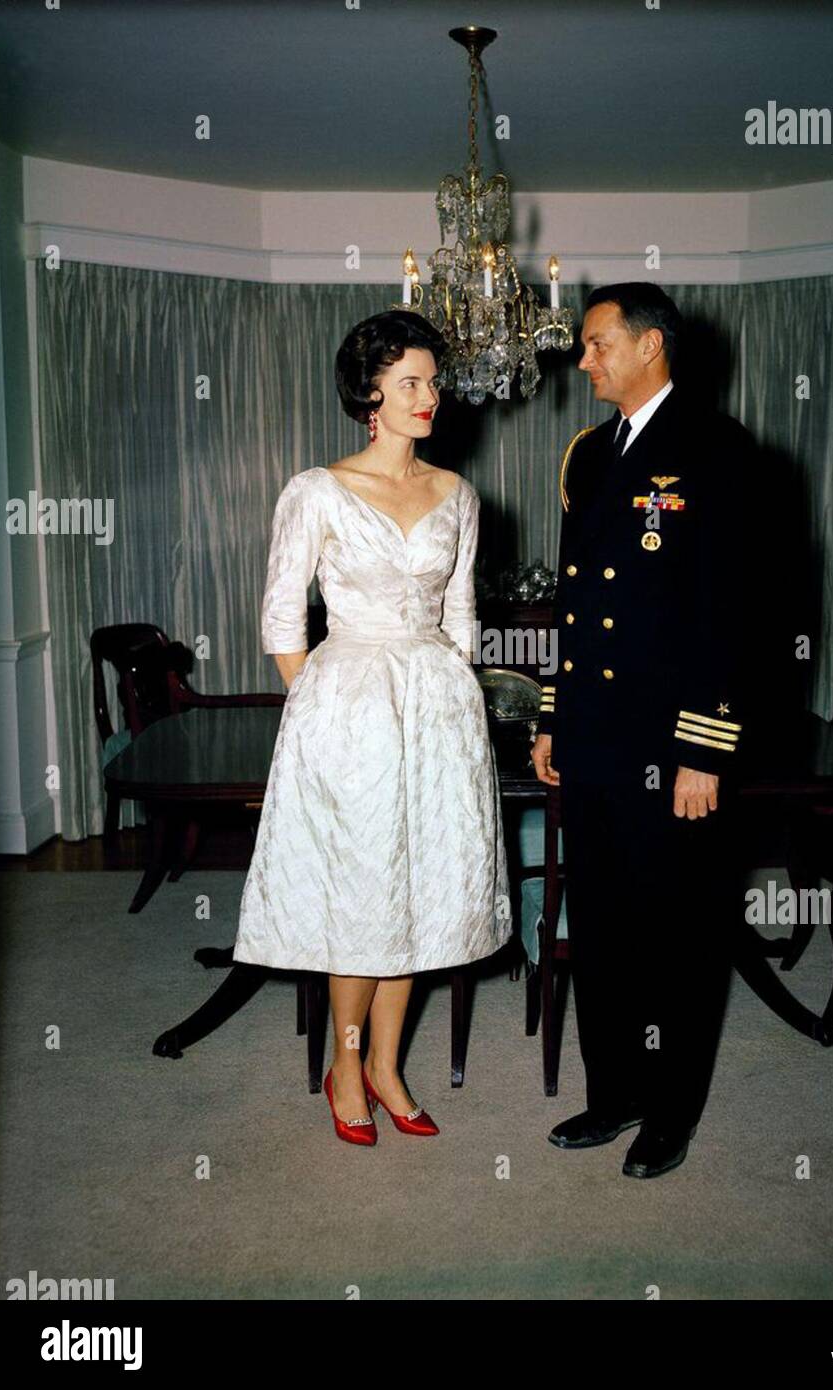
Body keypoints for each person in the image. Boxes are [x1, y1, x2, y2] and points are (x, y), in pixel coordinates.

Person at [234, 310, 510, 1146]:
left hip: (436, 707)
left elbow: (460, 615)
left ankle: (388, 1065)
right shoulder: (317, 489)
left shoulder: (456, 494)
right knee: (362, 895)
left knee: (420, 893)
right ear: (370, 395)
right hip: (349, 706)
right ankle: (344, 1063)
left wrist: (456, 699)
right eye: (411, 384)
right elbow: (283, 616)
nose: (430, 396)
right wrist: (317, 705)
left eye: (432, 381)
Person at [531, 283, 754, 1179]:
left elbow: (732, 612)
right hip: (593, 738)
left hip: (670, 742)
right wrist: (552, 715)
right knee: (606, 922)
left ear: (650, 345)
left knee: (675, 930)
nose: (582, 360)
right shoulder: (588, 454)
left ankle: (670, 1110)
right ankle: (615, 1090)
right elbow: (571, 603)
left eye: (595, 344)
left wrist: (705, 747)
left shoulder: (718, 450)